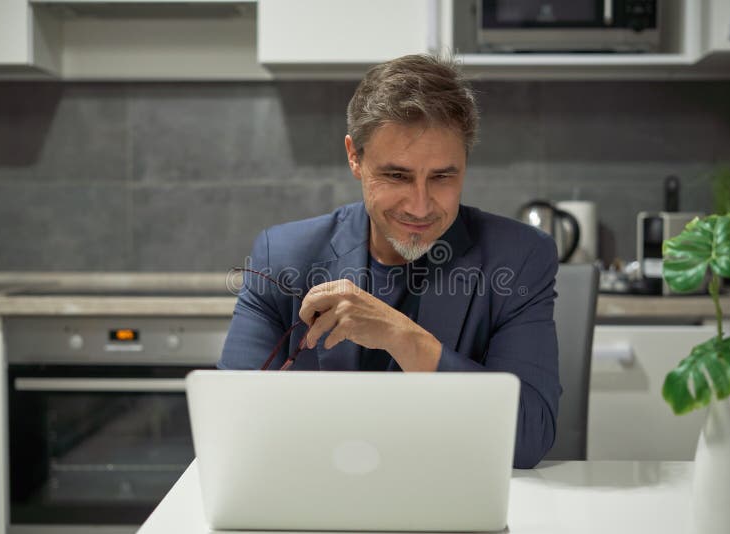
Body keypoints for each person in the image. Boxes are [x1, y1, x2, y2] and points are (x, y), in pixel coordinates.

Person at [219, 54, 561, 469]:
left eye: (442, 177)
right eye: (397, 176)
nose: (420, 205)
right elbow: (231, 429)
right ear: (355, 158)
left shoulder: (521, 258)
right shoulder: (282, 255)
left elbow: (528, 438)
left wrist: (404, 338)